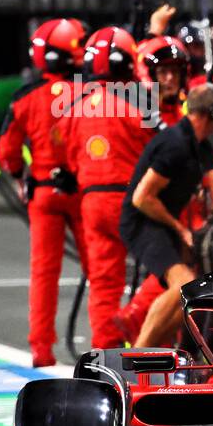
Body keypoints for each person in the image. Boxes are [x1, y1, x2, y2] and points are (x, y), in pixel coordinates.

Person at [0, 18, 89, 366]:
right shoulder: (90, 93)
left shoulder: (25, 97)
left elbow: (7, 151)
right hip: (84, 193)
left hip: (43, 195)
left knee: (44, 272)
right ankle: (113, 345)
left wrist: (22, 175)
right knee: (101, 272)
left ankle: (41, 349)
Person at [118, 84, 213, 347]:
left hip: (163, 222)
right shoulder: (175, 145)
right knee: (185, 284)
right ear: (206, 115)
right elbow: (142, 198)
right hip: (142, 221)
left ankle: (155, 351)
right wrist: (180, 229)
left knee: (192, 294)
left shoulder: (202, 148)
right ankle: (136, 356)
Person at [63, 26, 154, 349]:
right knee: (172, 268)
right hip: (133, 200)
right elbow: (159, 152)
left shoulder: (74, 106)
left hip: (92, 201)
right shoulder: (141, 102)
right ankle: (136, 318)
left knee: (103, 282)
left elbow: (70, 156)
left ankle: (105, 352)